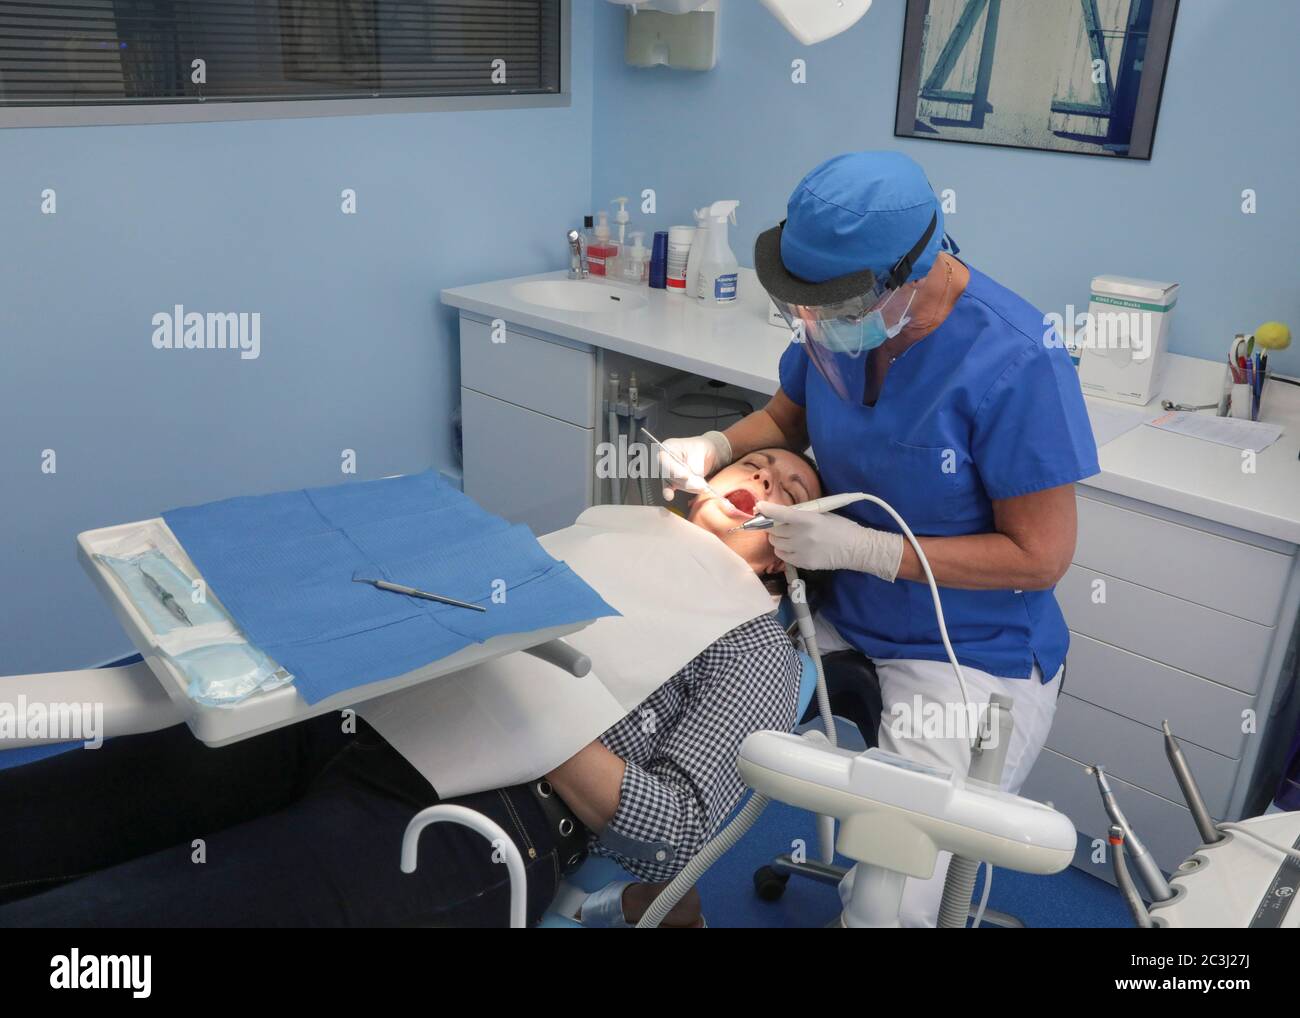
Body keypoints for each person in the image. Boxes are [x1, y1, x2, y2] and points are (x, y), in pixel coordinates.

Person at [0, 450, 821, 929]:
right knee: (68, 804)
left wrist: (525, 695)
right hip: (347, 709)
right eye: (754, 463)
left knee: (126, 922)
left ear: (789, 551)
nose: (766, 479)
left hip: (486, 817)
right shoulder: (608, 528)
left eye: (791, 491)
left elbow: (675, 835)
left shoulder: (753, 646)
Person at [658, 150, 1100, 927]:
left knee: (888, 902)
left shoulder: (1018, 362)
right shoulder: (842, 325)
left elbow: (1041, 557)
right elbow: (787, 417)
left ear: (908, 273)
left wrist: (868, 551)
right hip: (837, 610)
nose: (814, 325)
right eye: (805, 306)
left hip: (965, 650)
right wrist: (720, 447)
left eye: (828, 306)